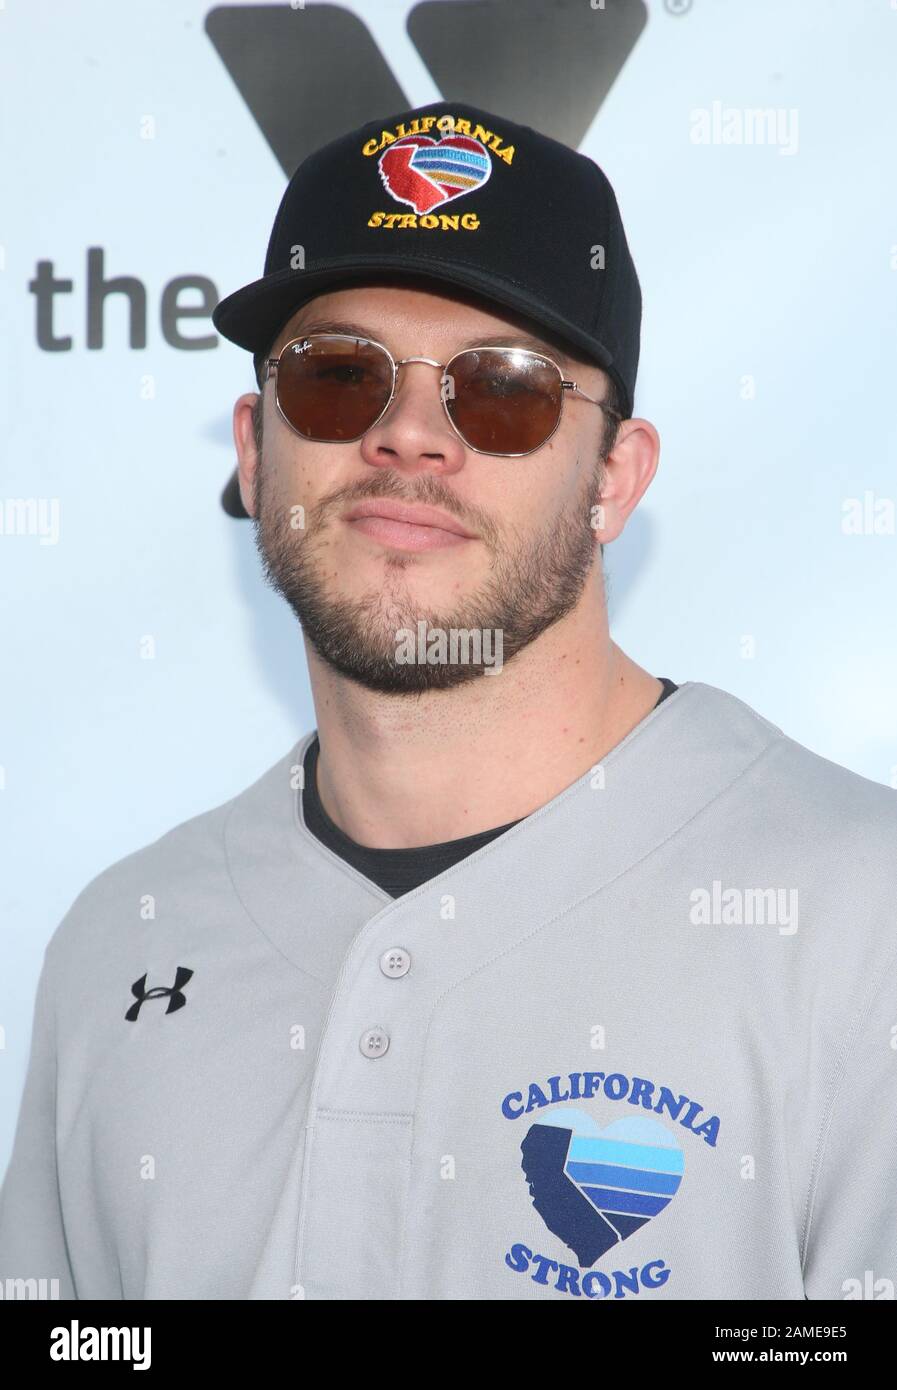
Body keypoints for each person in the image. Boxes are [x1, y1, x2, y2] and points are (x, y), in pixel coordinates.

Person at [1, 102, 895, 1302]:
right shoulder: (123, 940)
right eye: (338, 378)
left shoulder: (860, 921)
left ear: (614, 481)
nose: (409, 435)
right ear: (257, 448)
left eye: (504, 390)